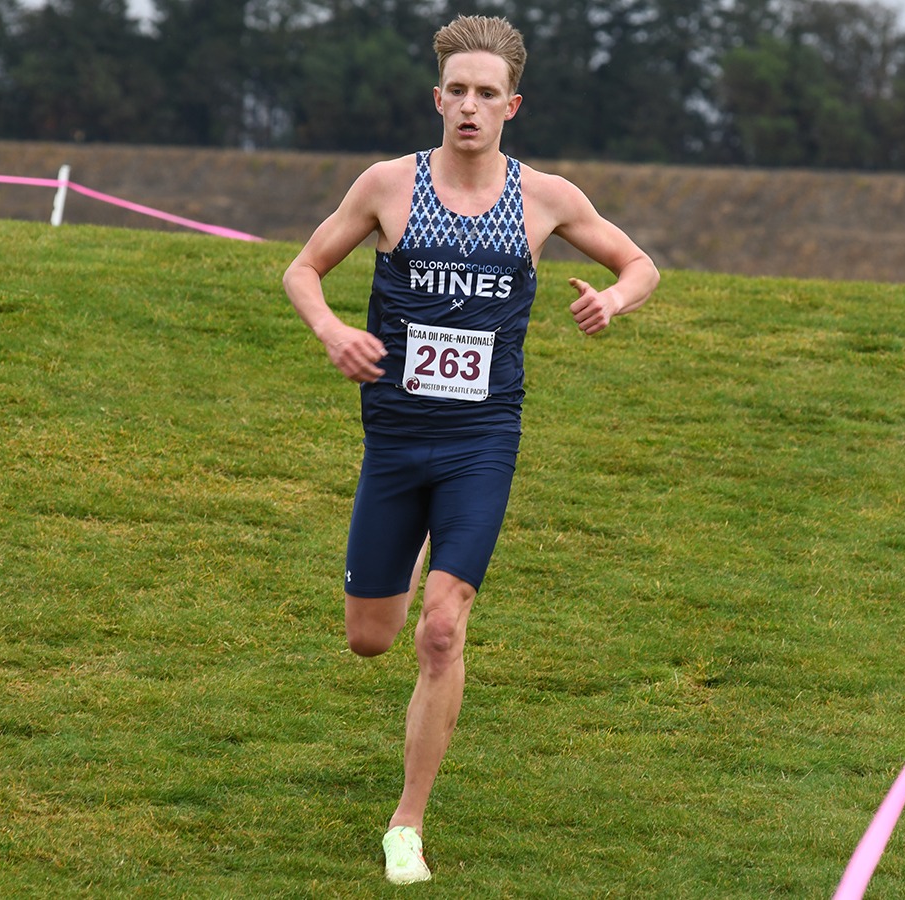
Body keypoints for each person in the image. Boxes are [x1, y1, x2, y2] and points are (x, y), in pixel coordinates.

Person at [282, 14, 659, 885]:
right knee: (371, 640)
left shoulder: (545, 198)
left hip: (483, 441)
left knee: (441, 634)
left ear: (511, 105)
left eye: (488, 94)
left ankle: (406, 824)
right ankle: (410, 557)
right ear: (437, 98)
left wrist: (615, 302)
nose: (470, 107)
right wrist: (333, 329)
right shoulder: (386, 186)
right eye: (457, 91)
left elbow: (638, 263)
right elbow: (303, 269)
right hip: (397, 439)